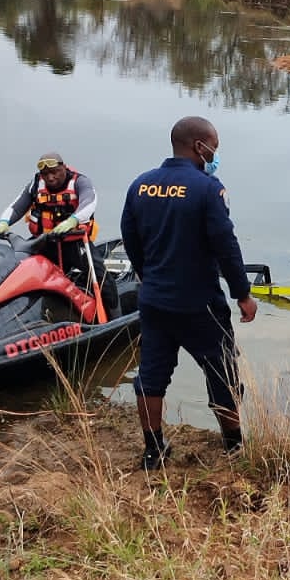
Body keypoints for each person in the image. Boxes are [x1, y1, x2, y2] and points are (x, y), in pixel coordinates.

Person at [120, 114, 256, 471]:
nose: (215, 154)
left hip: (154, 301)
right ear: (200, 146)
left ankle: (154, 450)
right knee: (222, 373)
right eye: (214, 147)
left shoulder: (140, 185)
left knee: (151, 376)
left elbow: (130, 239)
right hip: (200, 304)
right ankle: (233, 446)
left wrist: (148, 275)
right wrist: (242, 294)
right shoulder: (208, 189)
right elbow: (226, 246)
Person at [0, 152, 98, 279]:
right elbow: (17, 207)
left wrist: (73, 221)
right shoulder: (36, 185)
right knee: (18, 271)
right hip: (43, 243)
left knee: (102, 279)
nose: (50, 178)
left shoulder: (80, 182)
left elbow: (89, 201)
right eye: (45, 174)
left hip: (75, 243)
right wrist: (4, 222)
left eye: (55, 172)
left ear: (64, 168)